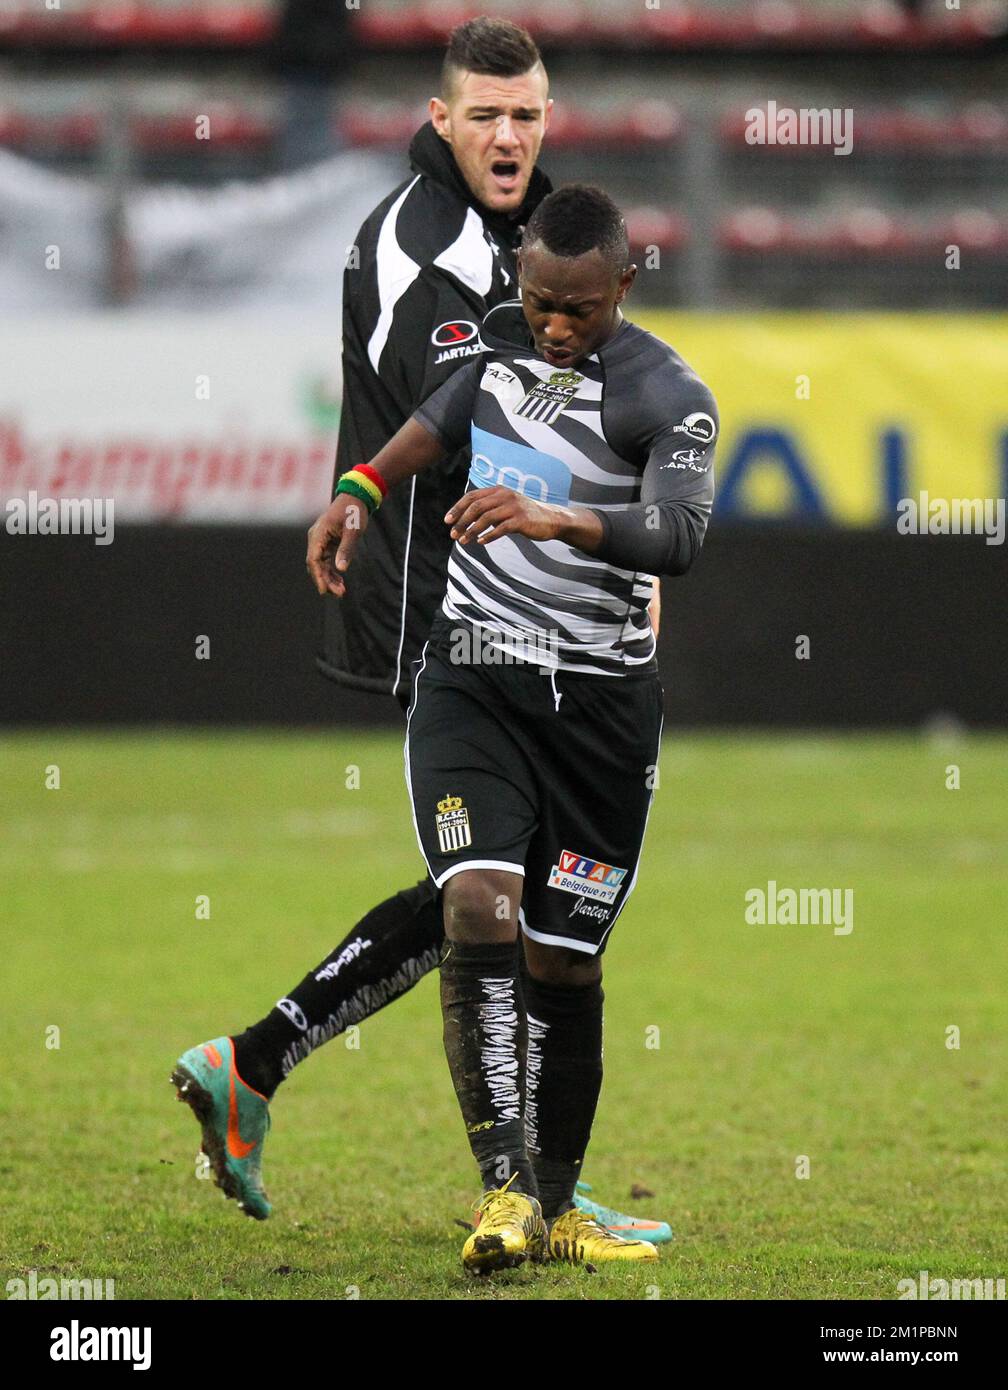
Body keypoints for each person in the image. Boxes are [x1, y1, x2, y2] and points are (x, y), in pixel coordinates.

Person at [172, 18, 669, 1244]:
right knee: (498, 888)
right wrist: (592, 539)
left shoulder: (529, 231)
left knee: (497, 882)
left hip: (516, 588)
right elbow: (466, 429)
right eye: (487, 116)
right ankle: (525, 1188)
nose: (512, 137)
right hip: (442, 594)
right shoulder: (422, 244)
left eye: (530, 114)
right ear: (441, 118)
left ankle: (259, 1064)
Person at [304, 185, 719, 1273]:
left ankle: (559, 1197)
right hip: (476, 676)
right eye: (539, 301)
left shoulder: (669, 395)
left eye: (577, 308)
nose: (553, 326)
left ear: (623, 284)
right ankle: (503, 1194)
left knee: (565, 960)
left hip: (599, 714)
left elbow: (678, 535)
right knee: (479, 901)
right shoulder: (495, 339)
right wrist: (358, 488)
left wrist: (553, 515)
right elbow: (437, 422)